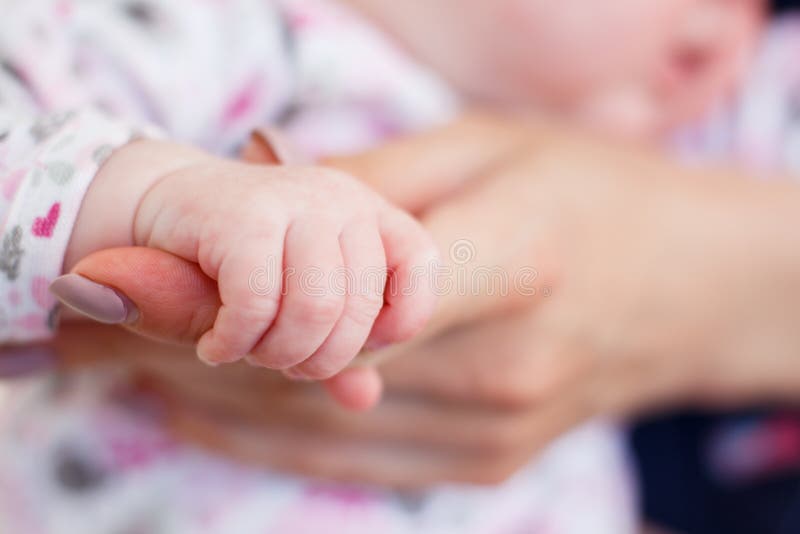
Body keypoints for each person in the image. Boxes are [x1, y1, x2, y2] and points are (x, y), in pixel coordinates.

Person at [0, 0, 786, 532]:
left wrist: (487, 272)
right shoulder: (226, 34)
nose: (727, 27)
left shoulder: (663, 130)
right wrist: (158, 196)